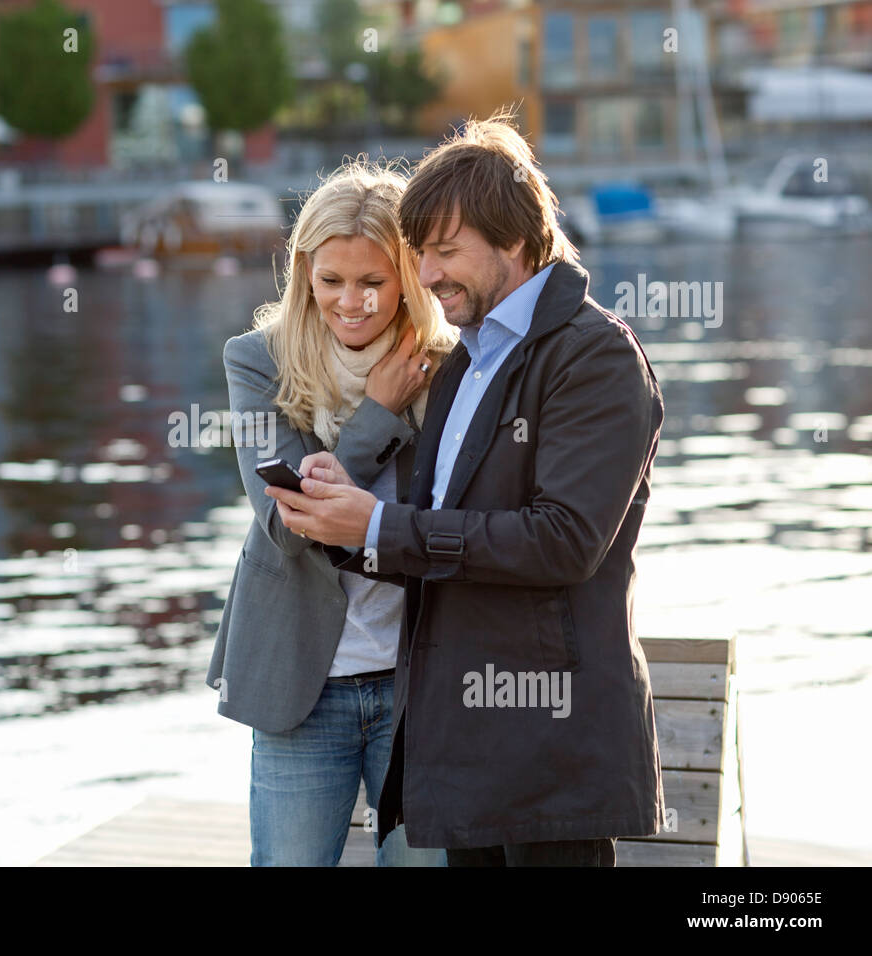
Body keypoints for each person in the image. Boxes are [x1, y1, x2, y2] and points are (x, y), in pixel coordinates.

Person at [265, 114, 666, 867]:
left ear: (515, 241)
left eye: (445, 252)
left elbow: (564, 541)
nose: (426, 274)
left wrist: (379, 527)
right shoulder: (464, 362)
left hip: (551, 749)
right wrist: (337, 523)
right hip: (464, 751)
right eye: (419, 253)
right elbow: (447, 534)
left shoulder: (596, 357)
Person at [206, 161, 455, 866]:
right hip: (300, 684)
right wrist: (377, 412)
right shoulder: (257, 362)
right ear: (303, 274)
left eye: (373, 283)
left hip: (420, 686)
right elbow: (286, 524)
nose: (352, 303)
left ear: (408, 277)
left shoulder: (448, 367)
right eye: (331, 281)